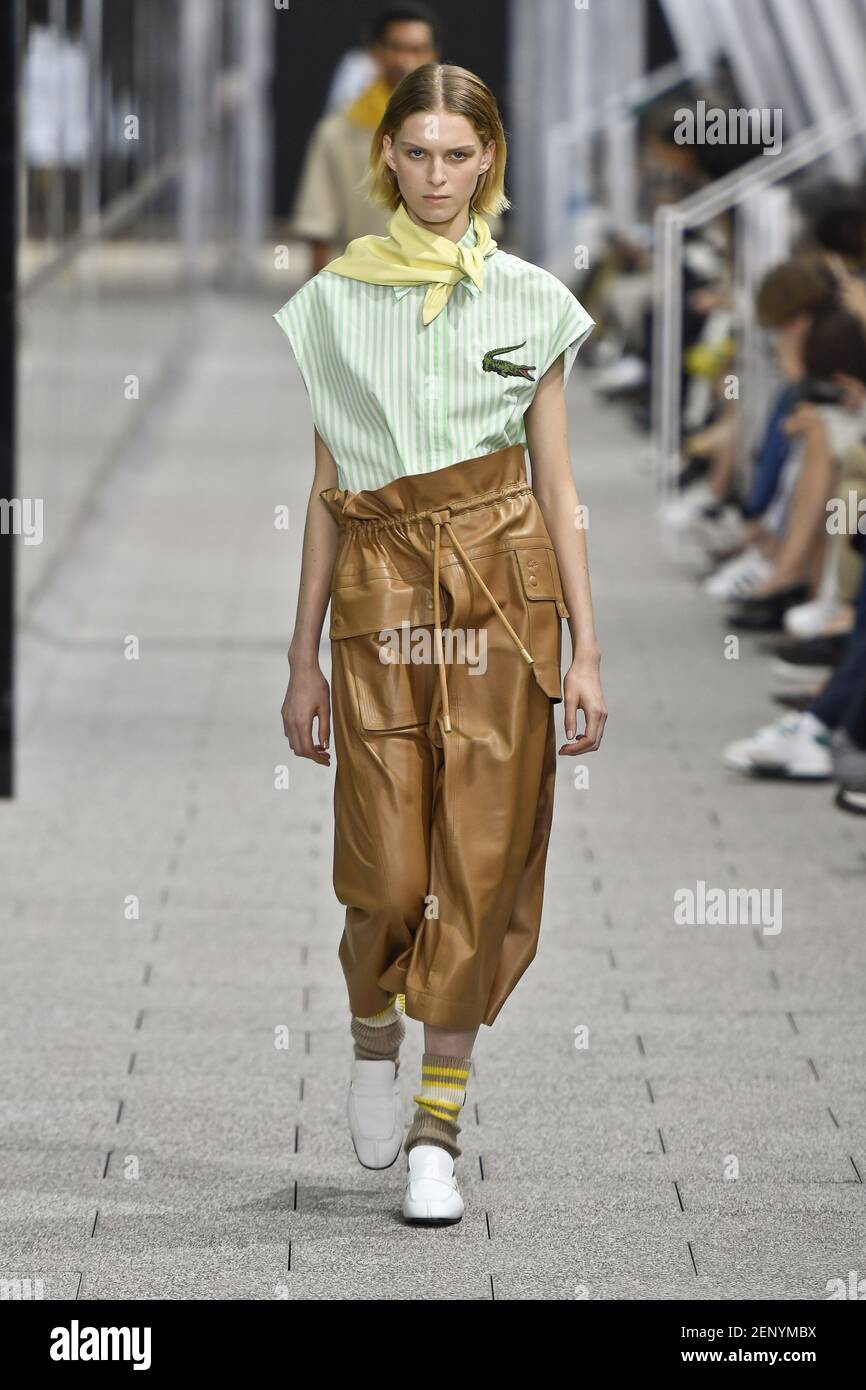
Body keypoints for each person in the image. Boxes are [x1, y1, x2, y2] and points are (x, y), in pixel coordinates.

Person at [273, 62, 606, 1226]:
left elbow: (557, 481)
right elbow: (324, 486)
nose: (433, 176)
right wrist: (299, 655)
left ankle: (437, 1126)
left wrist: (587, 650)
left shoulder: (532, 300)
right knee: (387, 872)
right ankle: (375, 1034)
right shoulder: (332, 303)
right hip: (376, 582)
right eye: (413, 153)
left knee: (473, 861)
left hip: (505, 590)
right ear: (387, 160)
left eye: (455, 155)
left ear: (489, 162)